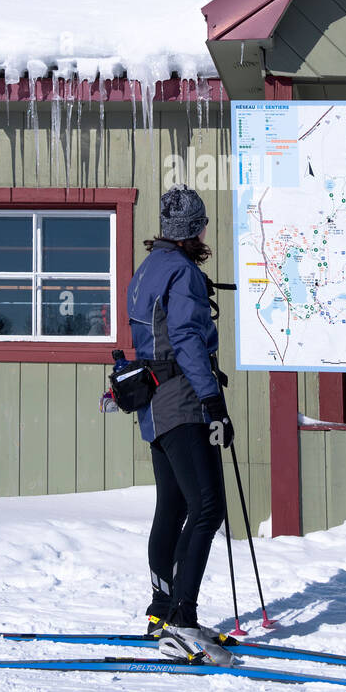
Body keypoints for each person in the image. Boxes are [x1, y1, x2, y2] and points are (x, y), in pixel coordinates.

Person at [127, 185, 236, 666]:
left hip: (152, 403)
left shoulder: (148, 269)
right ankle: (182, 620)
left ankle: (161, 610)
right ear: (195, 229)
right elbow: (189, 340)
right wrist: (214, 402)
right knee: (208, 507)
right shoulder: (184, 274)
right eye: (203, 224)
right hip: (182, 400)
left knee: (172, 505)